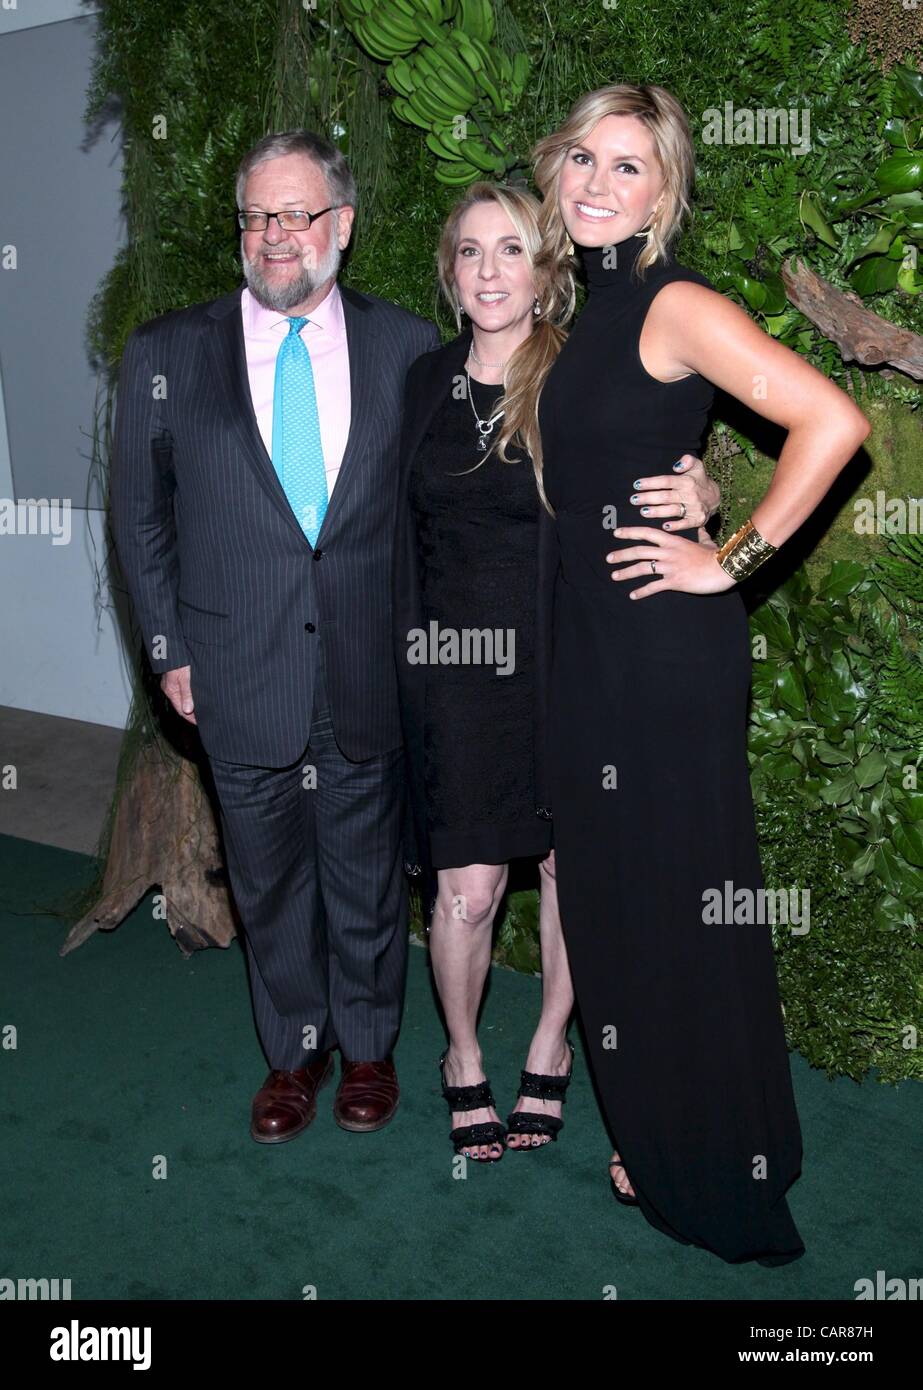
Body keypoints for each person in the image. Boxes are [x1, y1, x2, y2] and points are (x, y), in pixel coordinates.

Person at [532, 83, 871, 1264]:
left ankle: (692, 1158)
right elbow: (630, 453)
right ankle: (713, 1128)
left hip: (657, 654)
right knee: (638, 895)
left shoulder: (670, 301)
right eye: (582, 157)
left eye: (627, 166)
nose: (595, 183)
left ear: (665, 192)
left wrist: (727, 558)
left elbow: (831, 421)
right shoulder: (581, 308)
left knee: (660, 900)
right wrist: (705, 481)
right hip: (595, 642)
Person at [111, 130, 440, 1144]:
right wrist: (169, 651)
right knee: (268, 880)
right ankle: (294, 1056)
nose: (275, 235)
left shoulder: (408, 347)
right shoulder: (167, 352)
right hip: (233, 675)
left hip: (365, 667)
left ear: (341, 224)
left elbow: (443, 512)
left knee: (365, 872)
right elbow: (139, 517)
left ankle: (371, 1045)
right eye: (257, 215)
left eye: (297, 213)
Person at [392, 182, 720, 1161]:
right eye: (469, 252)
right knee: (467, 887)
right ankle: (458, 1053)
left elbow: (657, 460)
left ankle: (549, 1042)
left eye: (511, 250)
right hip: (450, 671)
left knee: (568, 866)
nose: (489, 271)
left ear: (544, 269)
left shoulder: (575, 376)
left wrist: (704, 484)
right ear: (450, 272)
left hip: (565, 659)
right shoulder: (420, 381)